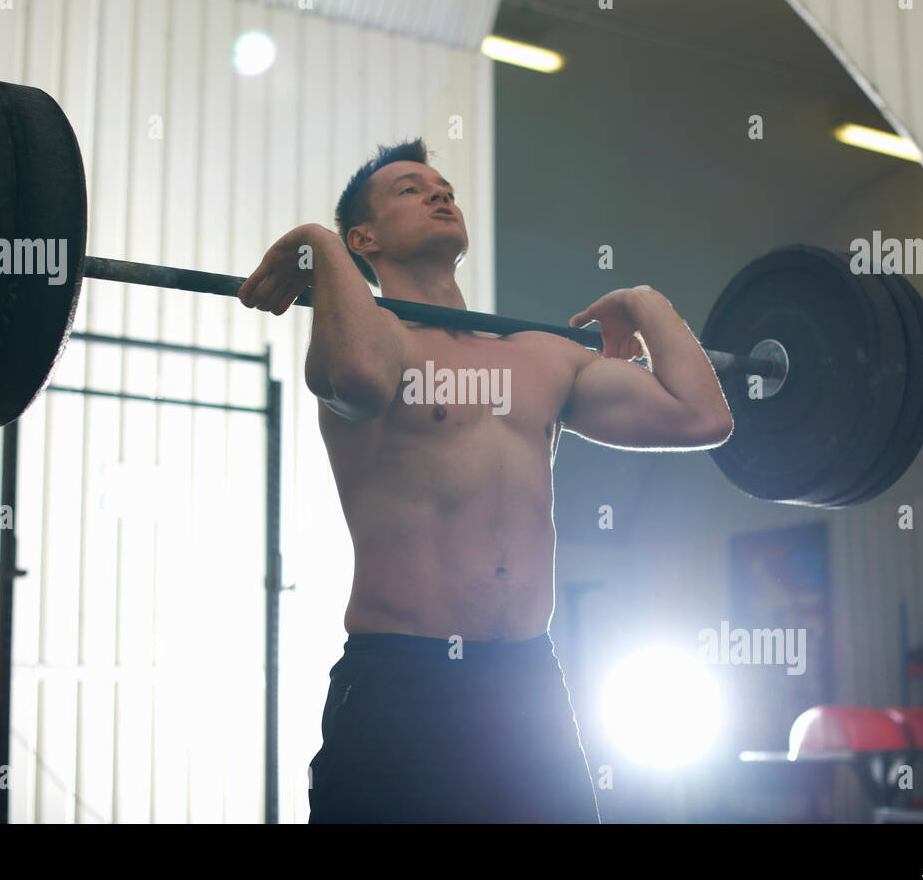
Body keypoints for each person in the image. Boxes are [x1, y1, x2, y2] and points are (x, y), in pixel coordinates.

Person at [239, 139, 732, 822]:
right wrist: (320, 247)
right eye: (410, 189)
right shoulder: (374, 342)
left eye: (443, 185)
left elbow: (701, 415)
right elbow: (355, 380)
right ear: (365, 237)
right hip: (399, 686)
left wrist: (646, 303)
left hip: (527, 685)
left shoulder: (540, 359)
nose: (440, 194)